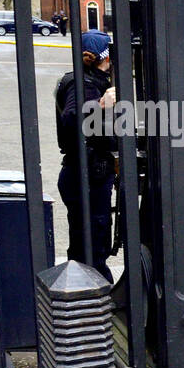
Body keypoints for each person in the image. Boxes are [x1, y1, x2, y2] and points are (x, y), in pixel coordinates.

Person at [55, 29, 117, 281]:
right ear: (104, 58)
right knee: (92, 247)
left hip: (85, 172)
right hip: (88, 174)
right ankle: (97, 301)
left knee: (84, 243)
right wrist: (100, 106)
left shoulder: (81, 80)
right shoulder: (84, 85)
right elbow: (71, 118)